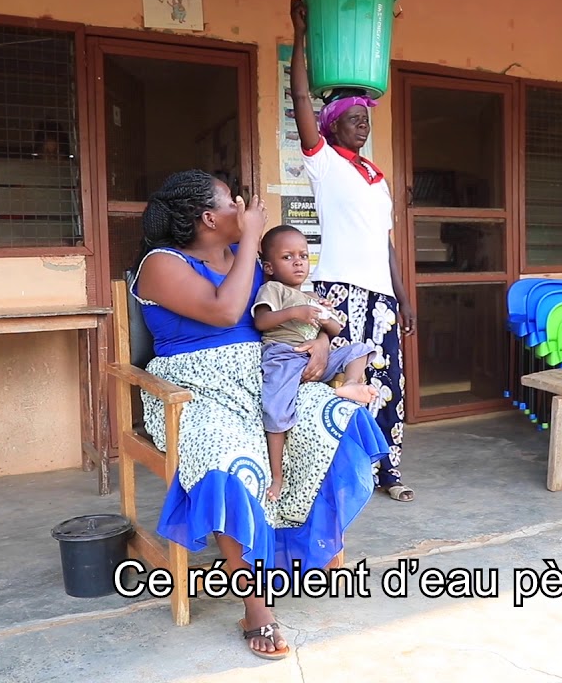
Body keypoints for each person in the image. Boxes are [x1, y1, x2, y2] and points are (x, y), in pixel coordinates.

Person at [130, 170, 389, 659]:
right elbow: (226, 312)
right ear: (209, 218)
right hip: (195, 392)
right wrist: (251, 238)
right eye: (231, 201)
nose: (243, 206)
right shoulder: (160, 263)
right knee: (234, 464)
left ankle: (309, 547)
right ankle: (256, 607)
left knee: (334, 418)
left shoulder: (243, 256)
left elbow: (298, 306)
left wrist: (321, 341)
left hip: (268, 376)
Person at [289, 0, 417, 503]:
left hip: (381, 298)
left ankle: (388, 472)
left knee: (388, 385)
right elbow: (300, 96)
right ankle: (333, 473)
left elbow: (384, 242)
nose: (363, 124)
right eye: (353, 119)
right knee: (340, 382)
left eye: (366, 118)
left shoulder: (376, 178)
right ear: (332, 125)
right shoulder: (325, 164)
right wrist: (299, 34)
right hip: (340, 293)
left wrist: (403, 297)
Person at [252, 224, 378, 503]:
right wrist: (295, 312)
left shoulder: (310, 297)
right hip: (284, 356)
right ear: (269, 267)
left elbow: (336, 329)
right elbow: (261, 321)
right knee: (276, 410)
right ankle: (277, 476)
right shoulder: (273, 289)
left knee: (360, 349)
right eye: (287, 257)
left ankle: (351, 384)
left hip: (314, 358)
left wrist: (324, 313)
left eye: (303, 256)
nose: (298, 262)